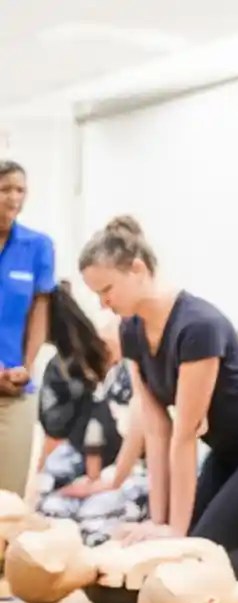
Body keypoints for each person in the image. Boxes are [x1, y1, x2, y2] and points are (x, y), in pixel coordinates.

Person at [78, 216, 238, 576]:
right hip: (229, 451)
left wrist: (176, 536)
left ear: (136, 269)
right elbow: (157, 430)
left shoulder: (197, 326)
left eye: (107, 290)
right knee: (182, 545)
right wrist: (157, 521)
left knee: (193, 557)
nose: (103, 303)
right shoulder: (130, 330)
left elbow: (184, 434)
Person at [34, 285, 148, 545]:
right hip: (96, 466)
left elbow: (147, 439)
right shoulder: (96, 379)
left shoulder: (137, 375)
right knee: (51, 509)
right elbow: (80, 437)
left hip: (132, 470)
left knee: (92, 520)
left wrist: (106, 481)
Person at [0, 159, 55, 499]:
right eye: (5, 189)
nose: (14, 197)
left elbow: (40, 311)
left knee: (8, 500)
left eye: (21, 190)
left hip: (15, 390)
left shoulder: (38, 246)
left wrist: (27, 366)